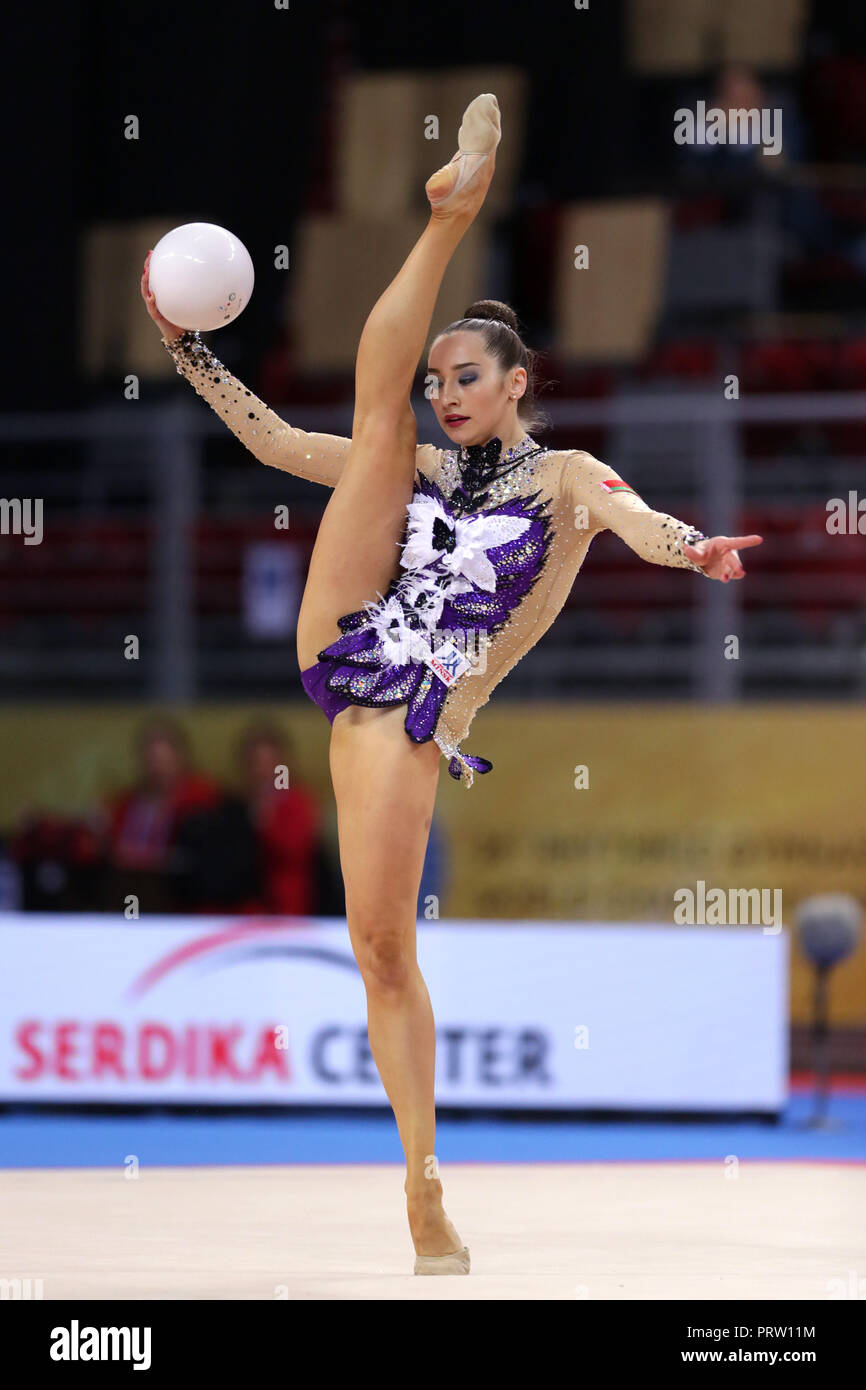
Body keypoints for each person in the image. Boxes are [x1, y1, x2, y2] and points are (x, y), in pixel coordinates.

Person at [142, 94, 762, 1274]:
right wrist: (186, 351)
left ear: (517, 381)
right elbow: (277, 444)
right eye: (438, 378)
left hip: (416, 703)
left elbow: (631, 522)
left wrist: (695, 546)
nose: (447, 393)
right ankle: (446, 220)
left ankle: (420, 1177)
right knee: (369, 434)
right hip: (351, 637)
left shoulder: (568, 476)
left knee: (380, 946)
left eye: (466, 375)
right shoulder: (417, 454)